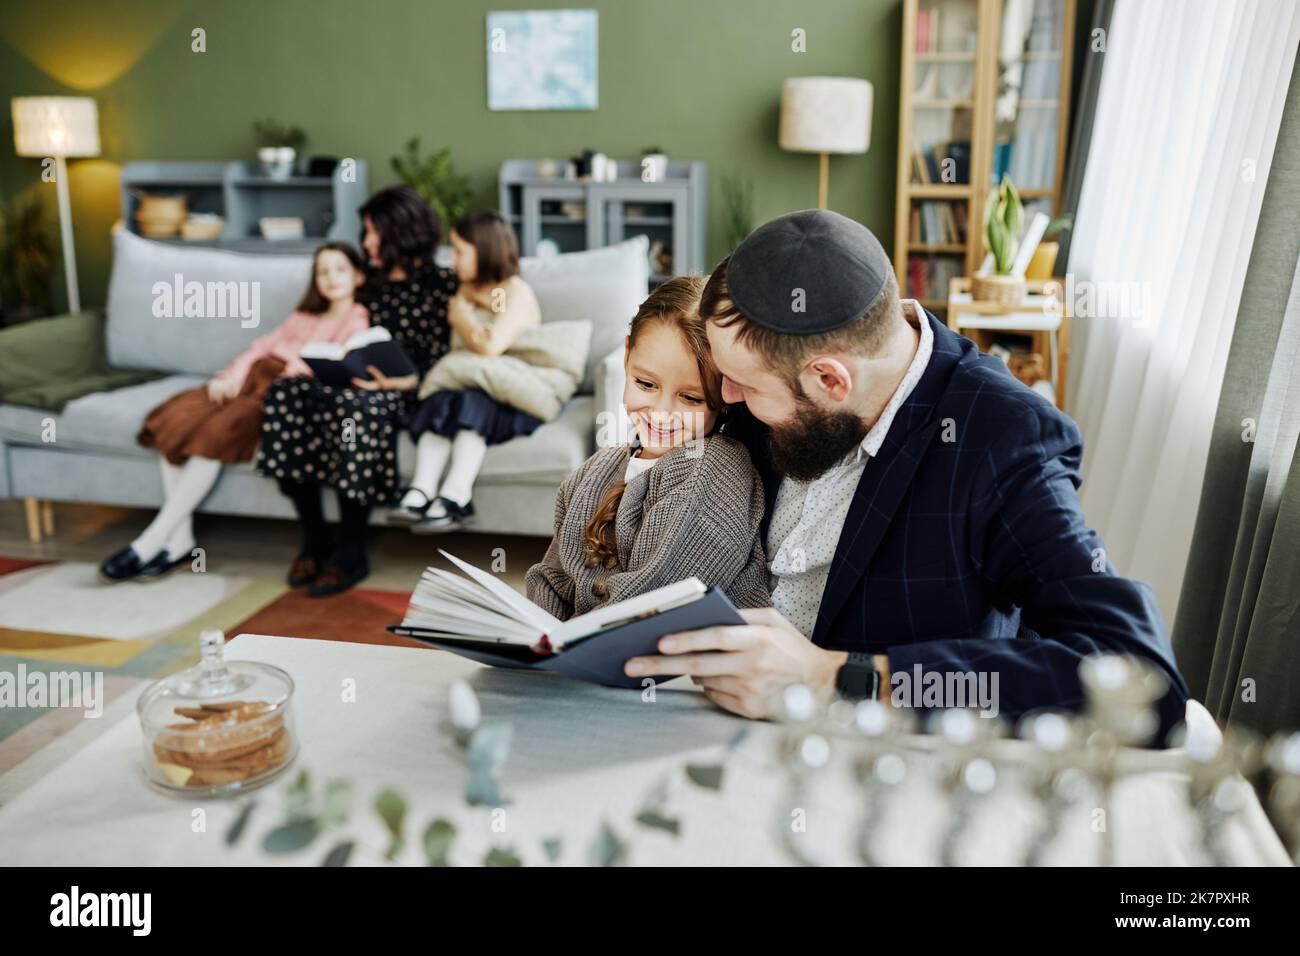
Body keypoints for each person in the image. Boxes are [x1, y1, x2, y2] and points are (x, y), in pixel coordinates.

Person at [623, 210, 1190, 745]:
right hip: (690, 722)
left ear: (830, 381)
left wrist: (839, 677)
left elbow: (1142, 682)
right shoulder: (771, 359)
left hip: (875, 762)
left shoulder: (1003, 440)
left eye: (744, 384)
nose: (728, 400)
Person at [99, 242, 370, 583]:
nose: (331, 278)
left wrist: (284, 377)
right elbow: (260, 348)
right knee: (176, 421)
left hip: (279, 393)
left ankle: (147, 543)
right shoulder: (302, 316)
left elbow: (336, 365)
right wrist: (231, 377)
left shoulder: (357, 321)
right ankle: (180, 541)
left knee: (213, 436)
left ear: (359, 276)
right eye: (323, 271)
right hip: (247, 382)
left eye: (340, 269)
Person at [525, 276, 769, 619]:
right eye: (646, 383)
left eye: (691, 397)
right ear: (626, 355)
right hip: (590, 657)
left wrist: (572, 640)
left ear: (725, 395)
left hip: (686, 662)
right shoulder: (593, 473)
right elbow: (552, 580)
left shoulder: (716, 468)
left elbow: (659, 600)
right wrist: (541, 638)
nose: (661, 413)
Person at [256, 186, 457, 596]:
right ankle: (314, 537)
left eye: (373, 233)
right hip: (351, 380)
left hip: (405, 389)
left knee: (355, 407)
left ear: (400, 232)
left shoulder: (443, 284)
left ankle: (350, 546)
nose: (366, 243)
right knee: (286, 393)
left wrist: (397, 379)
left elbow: (443, 359)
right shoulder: (369, 281)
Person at [389, 211, 543, 532]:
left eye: (459, 250)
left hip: (508, 391)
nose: (452, 258)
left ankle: (455, 495)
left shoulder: (513, 291)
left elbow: (490, 346)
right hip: (467, 386)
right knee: (442, 400)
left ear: (485, 249)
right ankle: (421, 489)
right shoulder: (465, 289)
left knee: (472, 400)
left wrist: (460, 315)